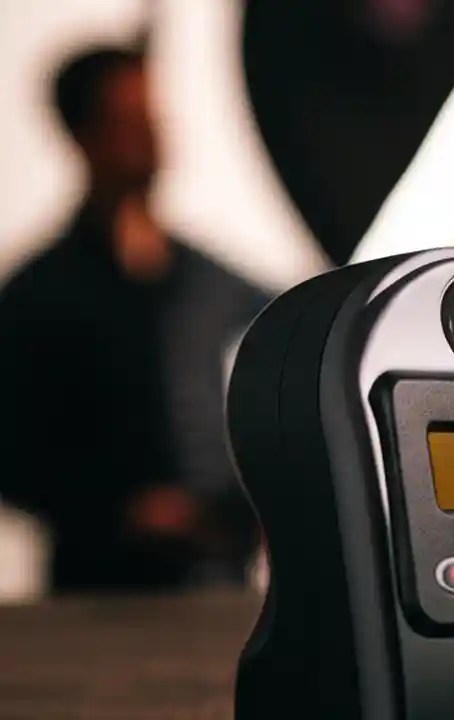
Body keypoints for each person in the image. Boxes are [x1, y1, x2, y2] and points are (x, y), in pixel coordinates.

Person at [0, 45, 267, 591]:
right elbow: (12, 454)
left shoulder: (212, 282)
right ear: (84, 135)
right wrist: (120, 510)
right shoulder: (38, 294)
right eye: (125, 121)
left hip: (220, 583)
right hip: (102, 592)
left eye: (150, 117)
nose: (148, 136)